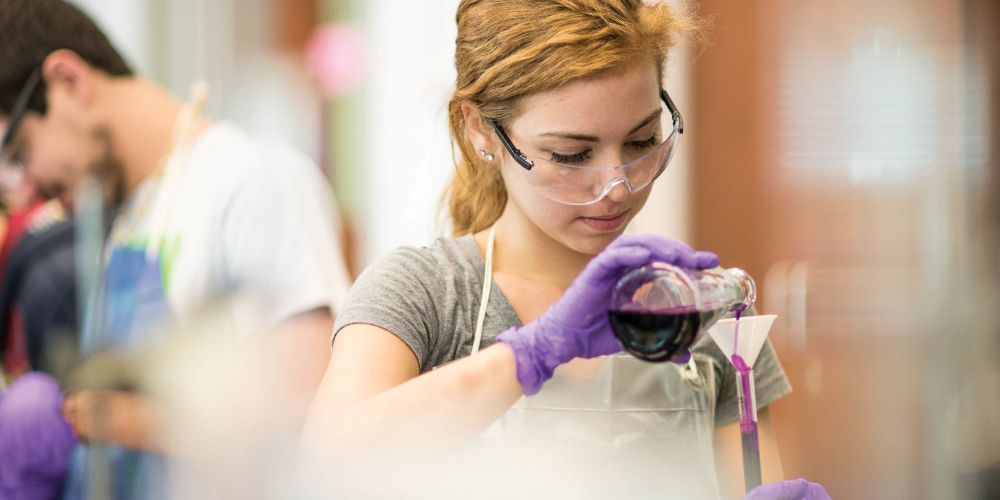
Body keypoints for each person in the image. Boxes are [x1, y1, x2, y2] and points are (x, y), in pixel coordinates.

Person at [302, 1, 828, 499]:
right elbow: (324, 470)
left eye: (643, 141)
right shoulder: (427, 295)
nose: (617, 186)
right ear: (481, 129)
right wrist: (536, 351)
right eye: (571, 154)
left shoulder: (698, 307)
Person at [0, 0, 351, 498]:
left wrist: (120, 421)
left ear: (68, 80)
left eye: (19, 153)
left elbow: (310, 419)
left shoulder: (255, 181)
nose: (26, 191)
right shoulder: (125, 219)